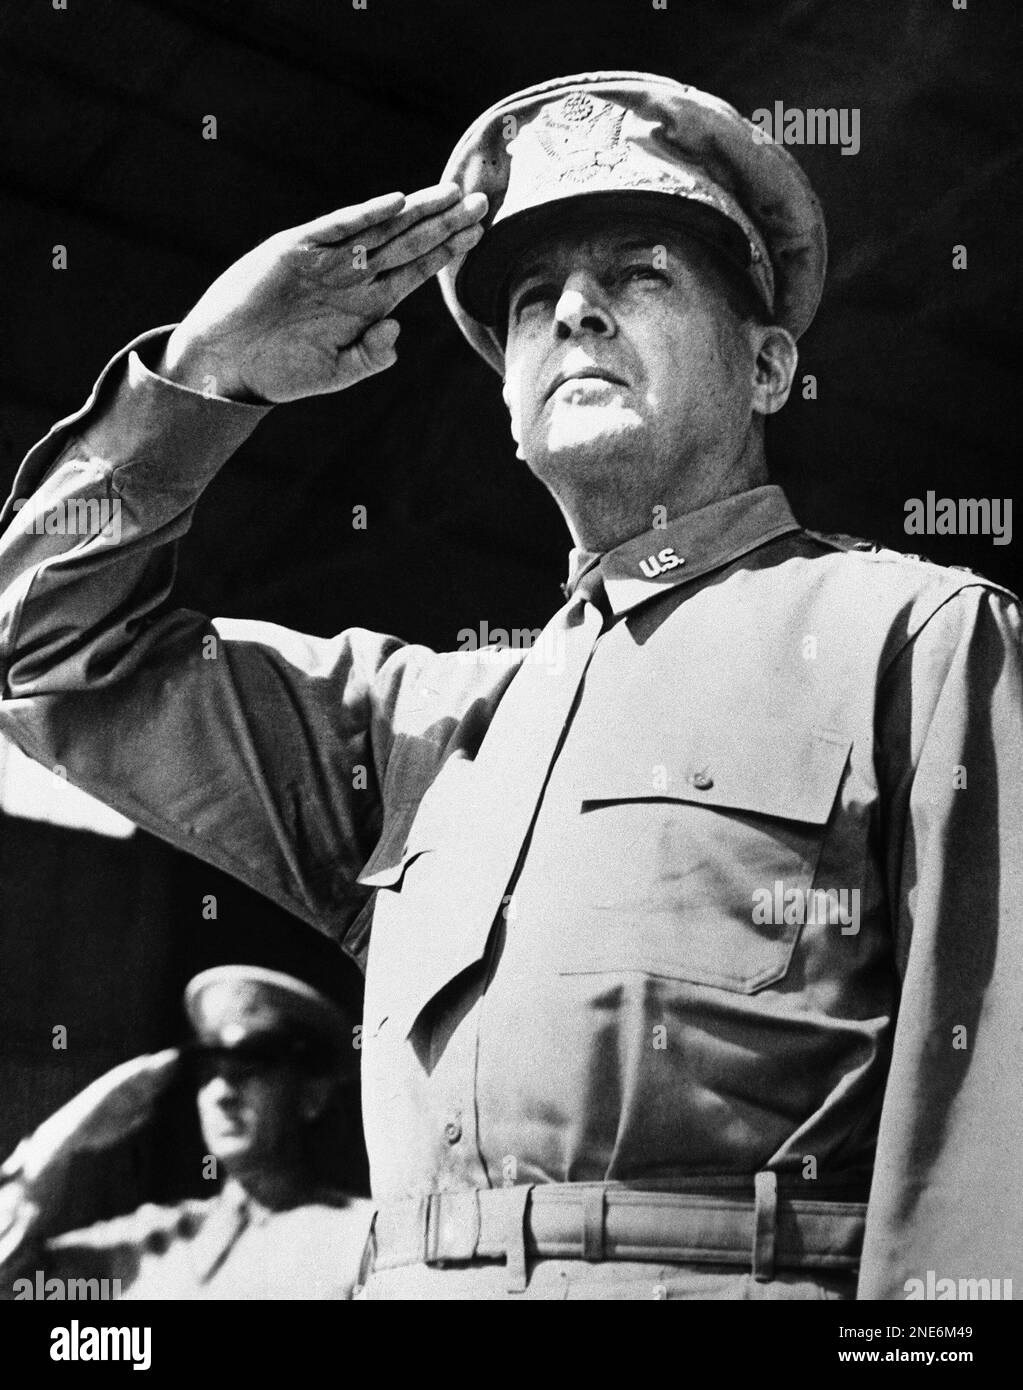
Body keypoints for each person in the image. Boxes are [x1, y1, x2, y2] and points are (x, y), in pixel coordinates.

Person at [0, 70, 1020, 1300]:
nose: (576, 313)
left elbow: (983, 1161)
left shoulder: (911, 636)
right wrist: (209, 377)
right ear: (509, 409)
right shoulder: (420, 724)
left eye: (639, 274)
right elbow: (46, 649)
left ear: (766, 366)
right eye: (535, 301)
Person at [0, 966, 373, 1299]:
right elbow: (13, 1285)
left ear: (311, 1094)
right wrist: (60, 1140)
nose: (222, 1093)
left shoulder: (360, 1241)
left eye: (248, 1068)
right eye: (209, 1071)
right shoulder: (149, 1242)